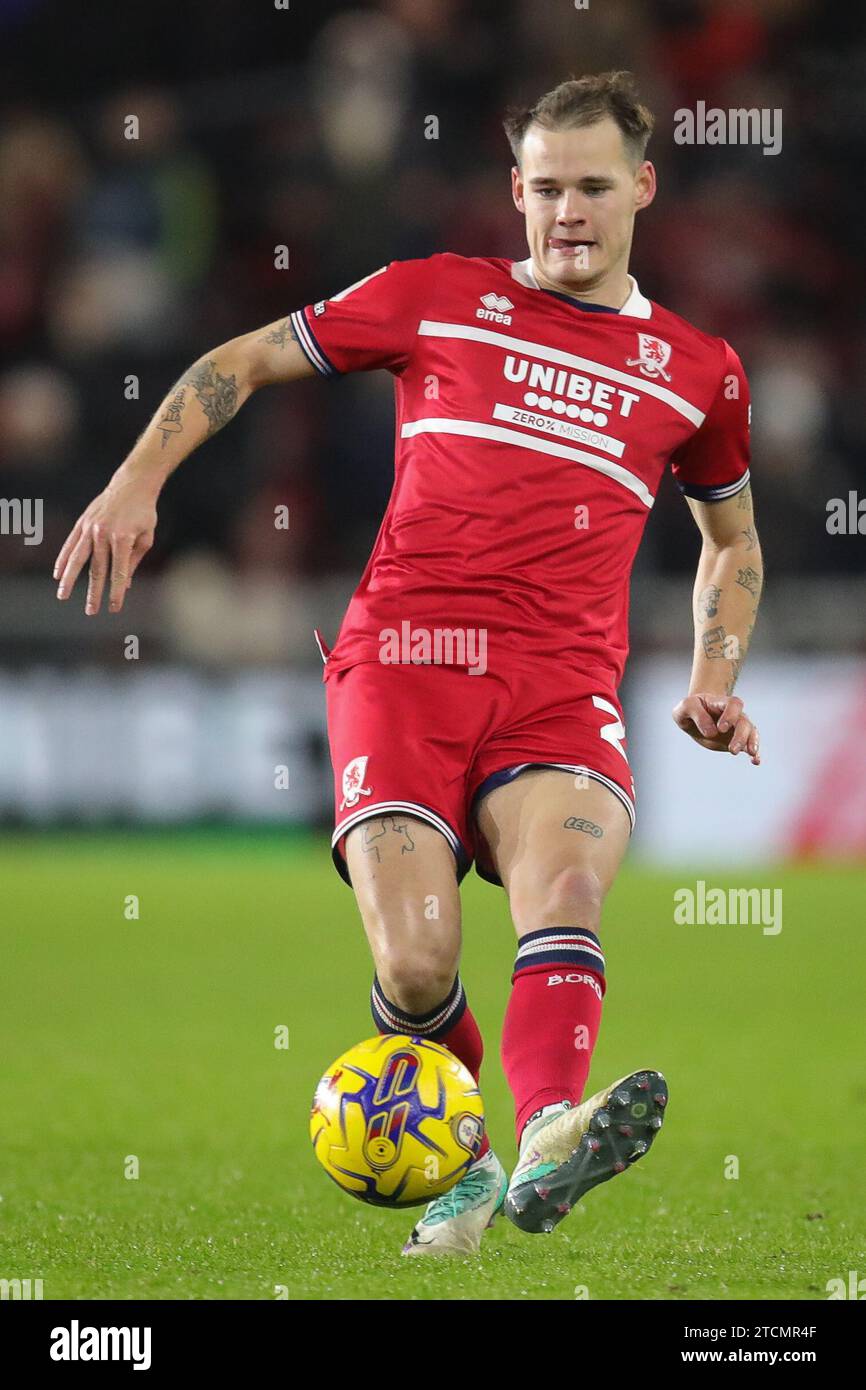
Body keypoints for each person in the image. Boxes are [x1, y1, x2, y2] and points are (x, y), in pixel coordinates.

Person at [54, 71, 762, 1257]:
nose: (567, 211)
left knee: (566, 893)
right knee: (419, 956)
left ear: (641, 187)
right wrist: (136, 478)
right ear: (514, 191)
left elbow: (731, 542)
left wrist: (716, 671)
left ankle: (546, 1136)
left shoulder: (698, 371)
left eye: (592, 186)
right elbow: (244, 358)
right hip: (401, 664)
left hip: (560, 683)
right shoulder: (433, 298)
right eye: (544, 188)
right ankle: (473, 1161)